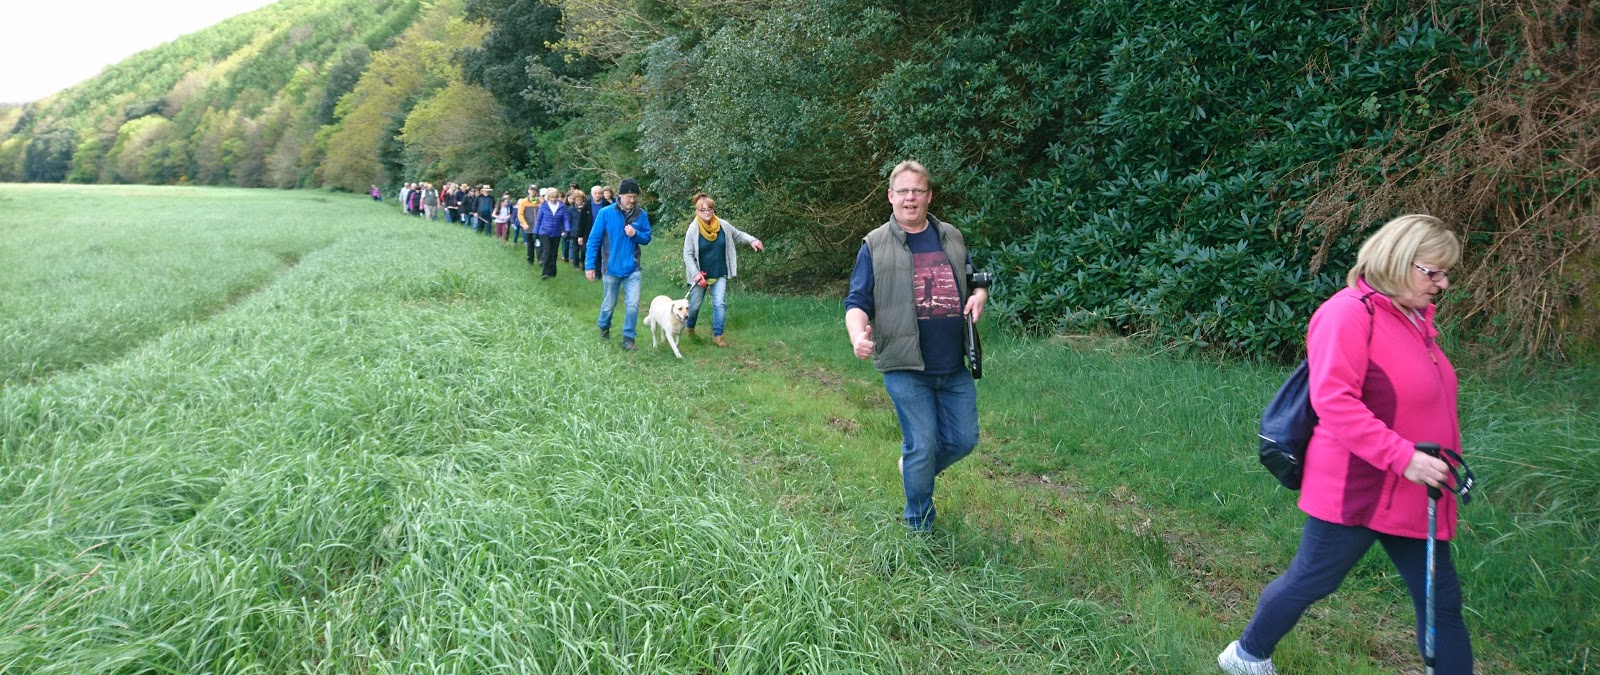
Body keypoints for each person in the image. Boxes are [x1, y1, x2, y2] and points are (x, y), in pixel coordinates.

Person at [1217, 214, 1469, 675]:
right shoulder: (1348, 313)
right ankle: (1246, 655)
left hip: (1414, 489)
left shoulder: (1414, 319)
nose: (1443, 284)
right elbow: (1334, 401)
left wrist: (1419, 463)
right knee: (1312, 580)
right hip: (1357, 487)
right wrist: (1403, 457)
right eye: (1433, 272)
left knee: (1441, 601)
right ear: (1398, 260)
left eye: (1445, 273)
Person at [844, 160, 987, 532]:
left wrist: (980, 295)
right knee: (921, 445)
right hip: (903, 365)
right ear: (890, 196)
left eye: (918, 191)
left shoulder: (951, 236)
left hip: (952, 363)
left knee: (964, 439)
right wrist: (857, 336)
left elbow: (974, 278)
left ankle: (914, 469)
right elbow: (856, 302)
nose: (911, 198)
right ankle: (918, 527)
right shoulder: (874, 244)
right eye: (903, 191)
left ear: (929, 196)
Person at [682, 192, 764, 347]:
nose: (707, 213)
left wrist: (752, 240)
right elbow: (688, 254)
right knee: (694, 305)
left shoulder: (723, 225)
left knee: (719, 304)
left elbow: (738, 235)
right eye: (703, 210)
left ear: (713, 209)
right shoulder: (693, 229)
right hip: (700, 276)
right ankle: (690, 328)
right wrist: (696, 274)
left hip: (719, 272)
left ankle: (718, 337)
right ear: (697, 212)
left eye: (709, 209)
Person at [586, 178, 652, 351]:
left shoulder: (641, 215)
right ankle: (603, 327)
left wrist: (635, 233)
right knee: (609, 304)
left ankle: (628, 338)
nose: (632, 200)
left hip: (632, 269)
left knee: (633, 305)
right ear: (621, 195)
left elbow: (647, 238)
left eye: (635, 196)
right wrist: (589, 265)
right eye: (629, 196)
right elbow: (593, 240)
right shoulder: (605, 213)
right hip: (611, 268)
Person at [532, 187, 569, 279]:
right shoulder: (543, 206)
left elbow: (565, 219)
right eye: (551, 197)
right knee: (547, 251)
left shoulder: (562, 206)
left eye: (555, 197)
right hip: (544, 232)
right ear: (548, 197)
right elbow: (538, 220)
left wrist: (567, 230)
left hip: (556, 232)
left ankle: (553, 272)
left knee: (554, 252)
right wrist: (535, 232)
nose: (553, 199)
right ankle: (545, 273)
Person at [565, 188, 590, 267]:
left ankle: (582, 262)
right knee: (575, 250)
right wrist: (567, 231)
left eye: (580, 199)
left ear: (583, 199)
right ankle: (575, 264)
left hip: (584, 232)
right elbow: (568, 221)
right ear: (574, 200)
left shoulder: (586, 208)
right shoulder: (571, 210)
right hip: (574, 232)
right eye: (577, 200)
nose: (578, 201)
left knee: (584, 249)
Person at [517, 185, 540, 262]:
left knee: (539, 243)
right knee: (530, 244)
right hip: (529, 226)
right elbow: (520, 214)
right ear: (528, 191)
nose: (532, 191)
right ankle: (530, 260)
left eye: (534, 190)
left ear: (536, 191)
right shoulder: (524, 202)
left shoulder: (541, 201)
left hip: (539, 227)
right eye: (531, 190)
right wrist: (524, 223)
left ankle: (540, 260)